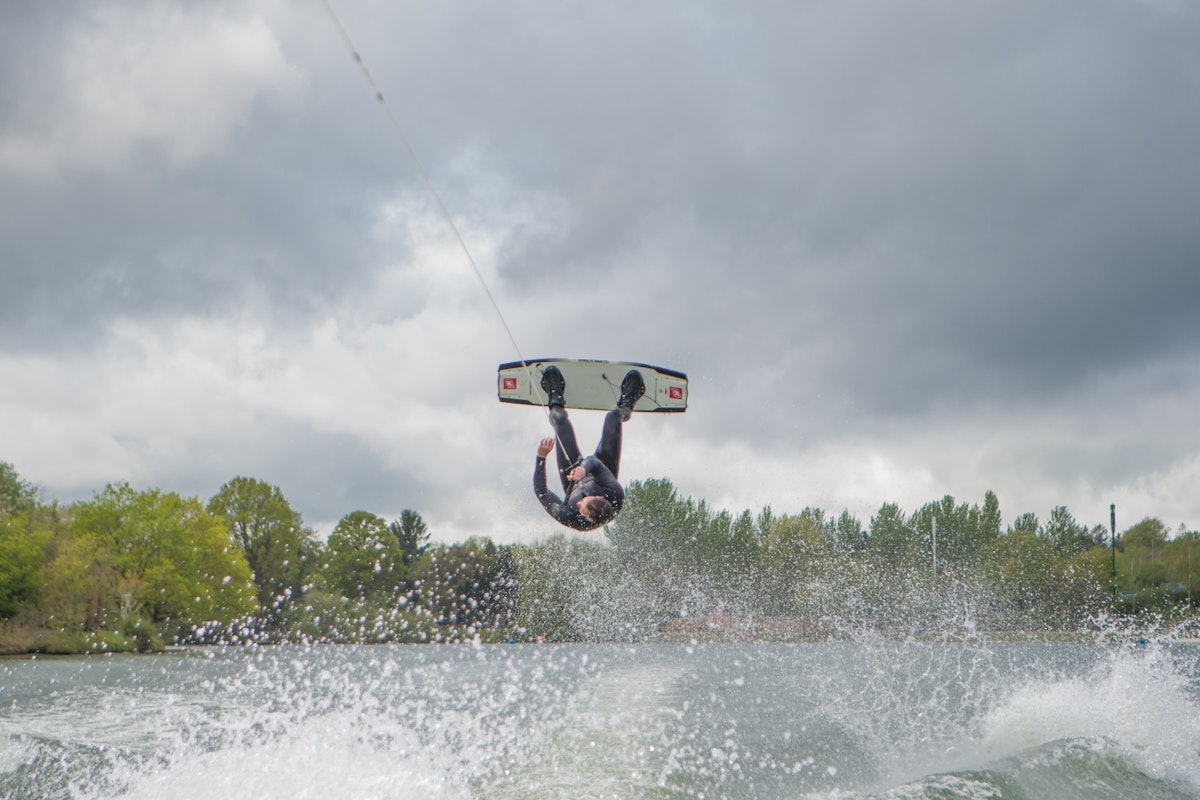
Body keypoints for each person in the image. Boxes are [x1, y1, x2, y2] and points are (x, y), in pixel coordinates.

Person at [533, 366, 644, 531]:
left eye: (580, 508)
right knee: (613, 417)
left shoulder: (569, 517)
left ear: (588, 519)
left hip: (571, 477)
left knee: (560, 421)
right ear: (599, 496)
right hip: (603, 467)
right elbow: (594, 463)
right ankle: (627, 404)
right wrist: (584, 469)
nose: (578, 503)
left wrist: (541, 457)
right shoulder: (615, 494)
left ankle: (555, 395)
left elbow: (541, 491)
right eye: (583, 501)